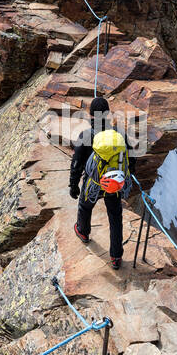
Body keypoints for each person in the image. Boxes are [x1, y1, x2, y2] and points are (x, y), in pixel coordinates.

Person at [69, 96, 131, 269]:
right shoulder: (119, 135)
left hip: (94, 182)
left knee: (85, 206)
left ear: (91, 115)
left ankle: (83, 232)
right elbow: (130, 159)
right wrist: (127, 180)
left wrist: (73, 185)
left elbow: (77, 163)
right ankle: (116, 257)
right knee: (115, 216)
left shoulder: (86, 135)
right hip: (114, 182)